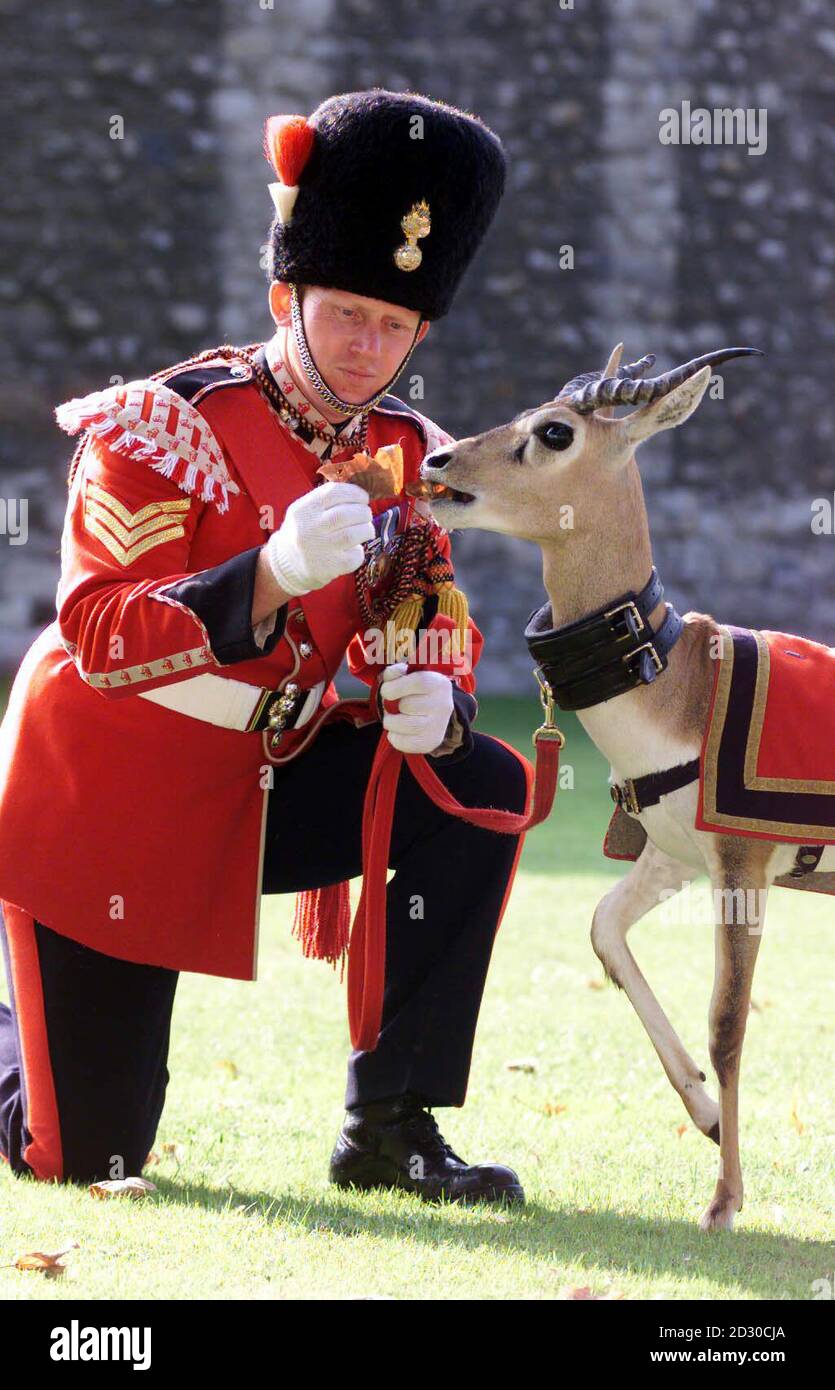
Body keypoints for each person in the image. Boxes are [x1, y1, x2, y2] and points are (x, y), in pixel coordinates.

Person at [0, 89, 532, 1204]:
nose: (364, 347)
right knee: (83, 1154)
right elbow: (98, 631)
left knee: (476, 780)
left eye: (393, 327)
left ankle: (392, 1122)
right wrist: (269, 576)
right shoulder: (162, 424)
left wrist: (437, 678)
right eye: (344, 312)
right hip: (115, 788)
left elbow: (423, 597)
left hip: (267, 773)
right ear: (285, 294)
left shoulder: (398, 448)